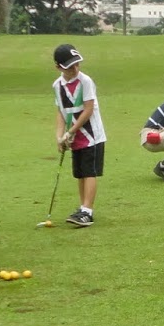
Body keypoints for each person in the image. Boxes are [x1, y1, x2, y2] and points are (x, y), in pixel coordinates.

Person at [52, 44, 105, 227]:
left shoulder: (86, 82)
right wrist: (60, 136)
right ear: (58, 67)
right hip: (74, 137)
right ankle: (82, 207)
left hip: (92, 135)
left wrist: (70, 132)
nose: (75, 69)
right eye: (70, 66)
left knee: (90, 171)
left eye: (77, 65)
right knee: (80, 173)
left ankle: (87, 211)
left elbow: (88, 110)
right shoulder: (57, 86)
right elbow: (61, 112)